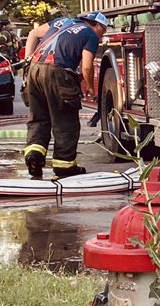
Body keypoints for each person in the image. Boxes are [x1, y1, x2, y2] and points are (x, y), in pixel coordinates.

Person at [22, 11, 109, 180]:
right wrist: (91, 88)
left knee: (39, 118)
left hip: (34, 70)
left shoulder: (61, 22)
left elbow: (33, 34)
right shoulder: (90, 35)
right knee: (65, 121)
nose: (102, 35)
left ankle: (34, 156)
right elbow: (87, 67)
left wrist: (27, 62)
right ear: (96, 25)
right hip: (59, 73)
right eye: (103, 31)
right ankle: (65, 166)